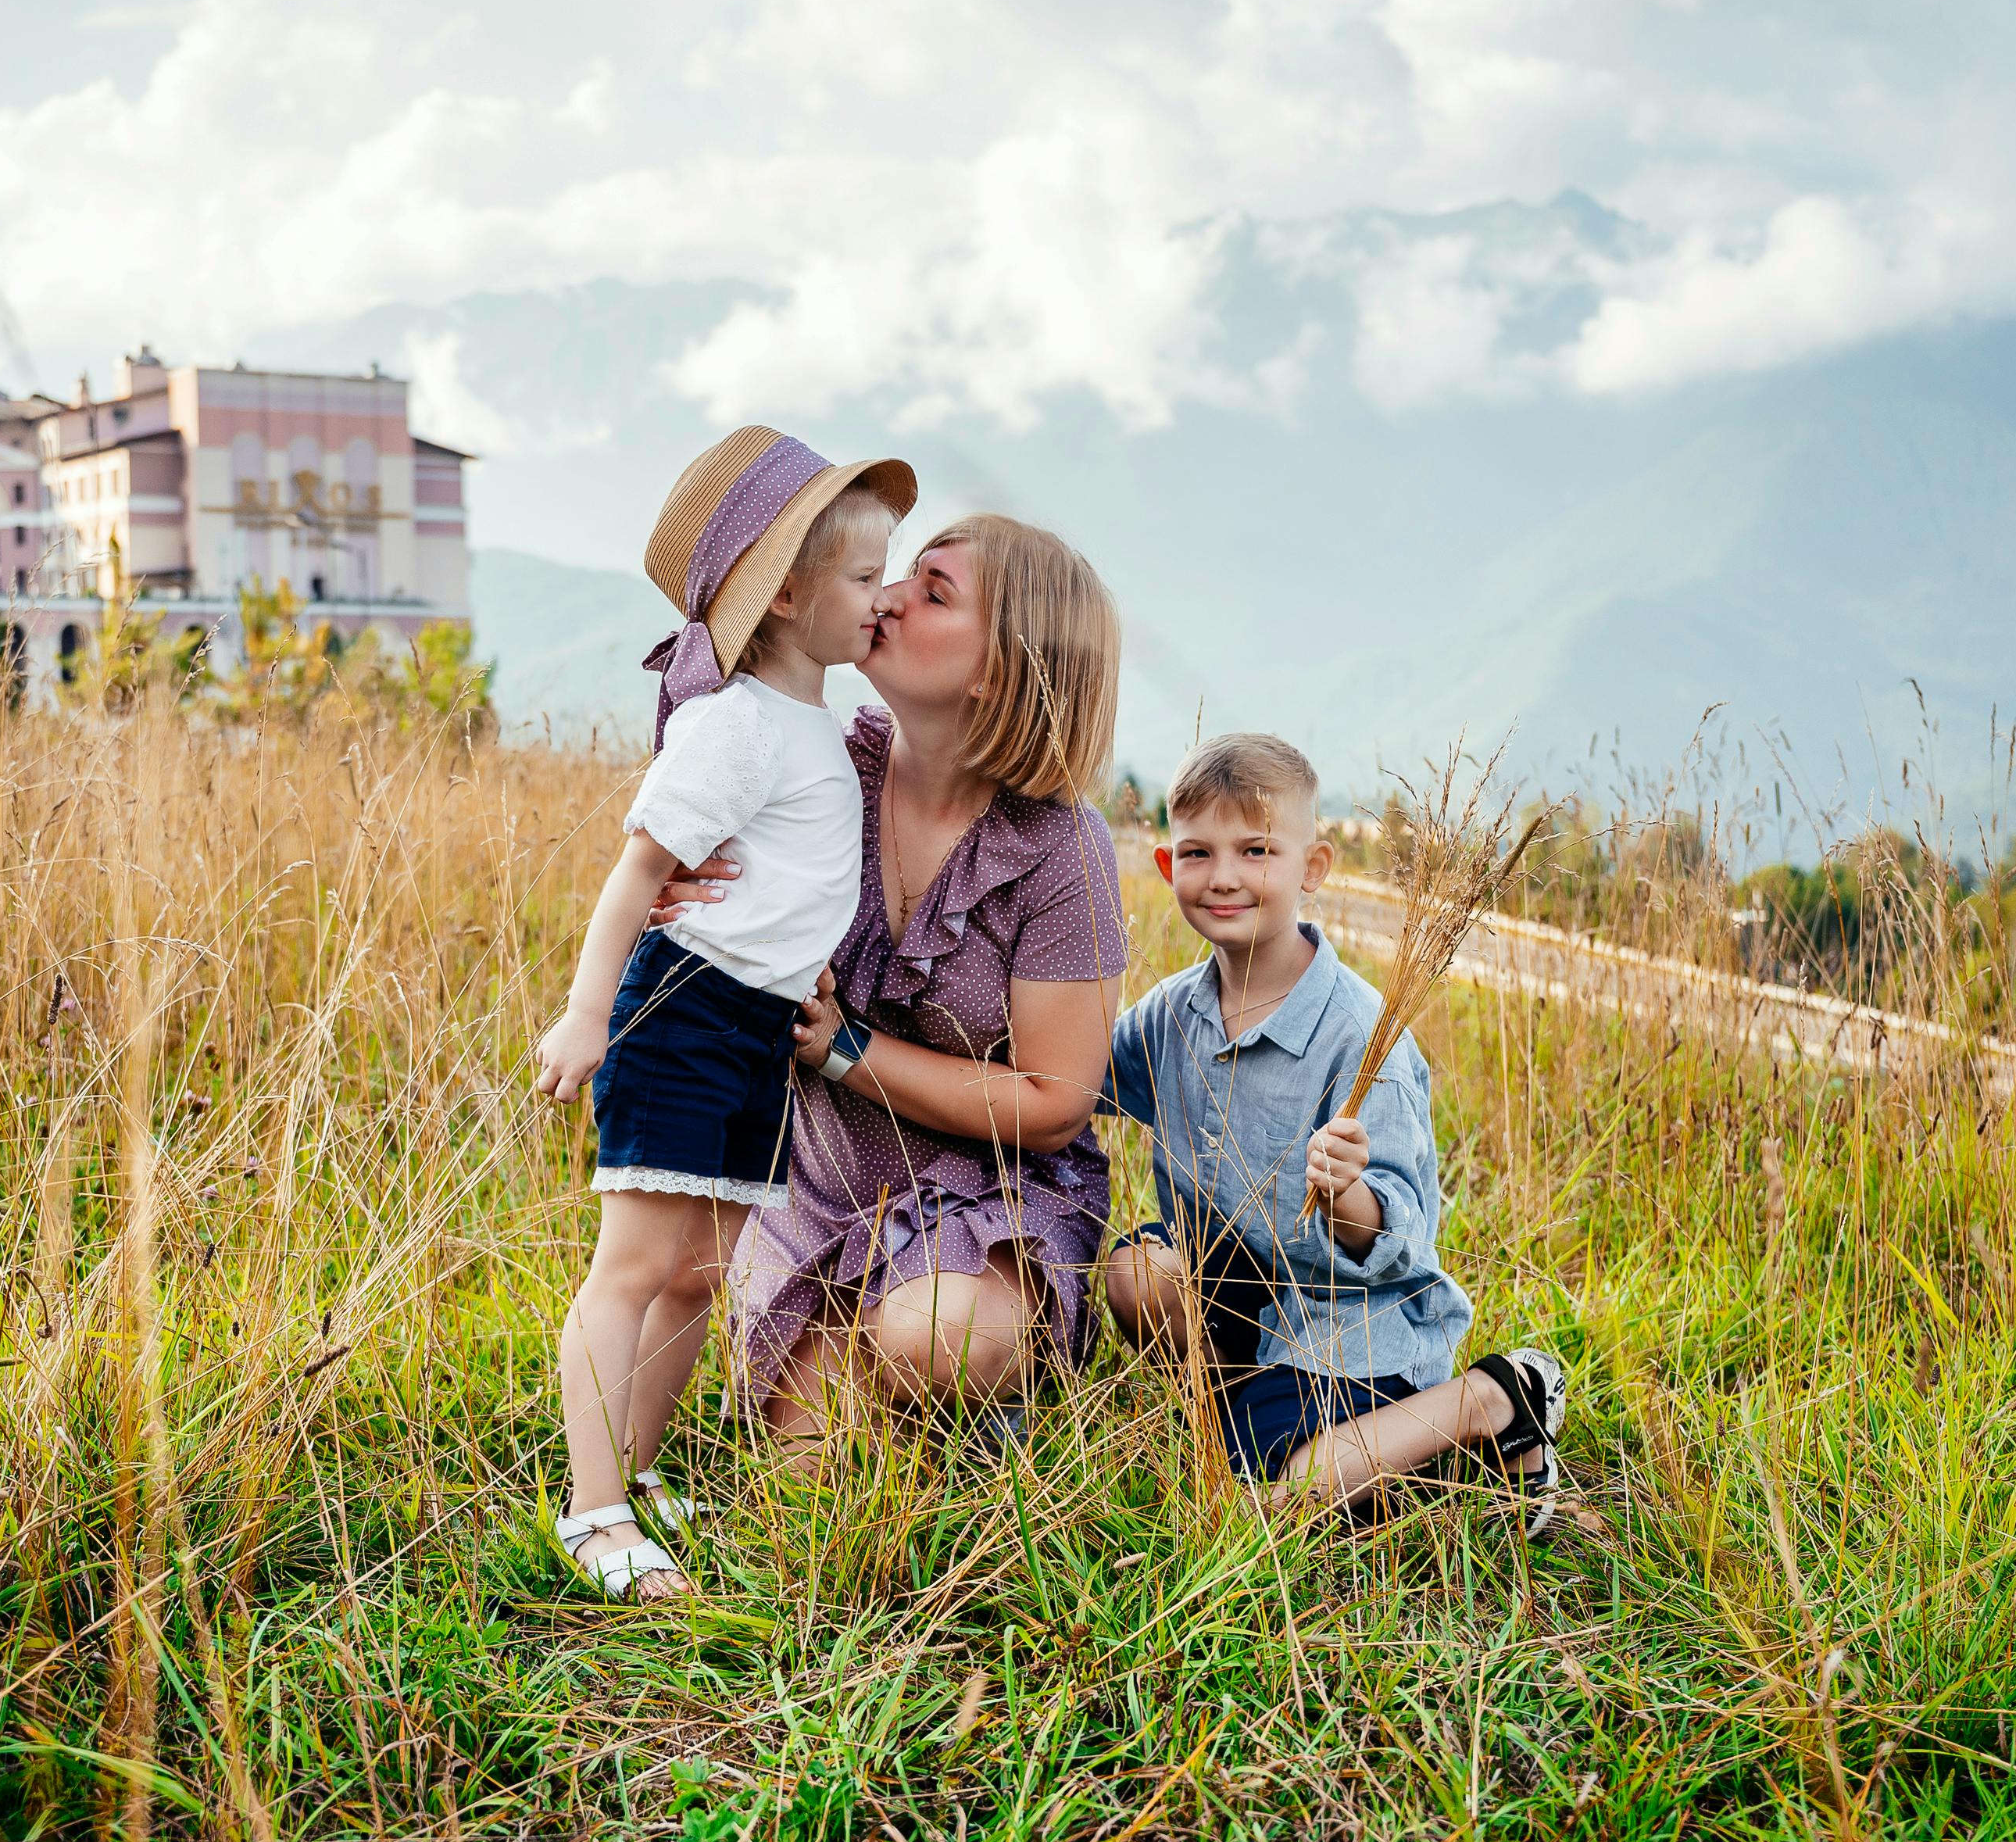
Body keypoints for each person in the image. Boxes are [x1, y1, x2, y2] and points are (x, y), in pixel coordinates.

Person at [531, 426, 914, 1601]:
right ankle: (592, 1509)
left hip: (754, 1029)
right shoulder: (738, 720)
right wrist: (589, 1013)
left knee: (702, 1268)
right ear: (788, 594)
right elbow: (639, 870)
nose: (884, 597)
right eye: (864, 578)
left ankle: (637, 1474)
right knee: (636, 1264)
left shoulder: (811, 723)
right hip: (687, 1014)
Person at [655, 516, 1129, 1452]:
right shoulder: (819, 769)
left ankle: (994, 1386)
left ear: (1001, 668)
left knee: (929, 1336)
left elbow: (1056, 1104)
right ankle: (951, 1427)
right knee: (806, 1482)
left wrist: (848, 1049)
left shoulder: (1061, 849)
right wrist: (682, 889)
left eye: (935, 590)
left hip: (994, 1197)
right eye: (903, 574)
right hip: (823, 1186)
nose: (890, 595)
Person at [1096, 732, 1571, 1530]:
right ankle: (1240, 1419)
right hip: (1241, 1287)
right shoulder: (1171, 1012)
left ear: (1311, 868)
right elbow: (1074, 1080)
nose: (1225, 876)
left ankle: (1492, 1398)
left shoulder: (1360, 1034)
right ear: (1167, 866)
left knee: (1280, 1499)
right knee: (1140, 1270)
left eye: (1257, 850)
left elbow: (1400, 1235)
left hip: (1348, 1312)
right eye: (1198, 851)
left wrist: (1345, 1189)